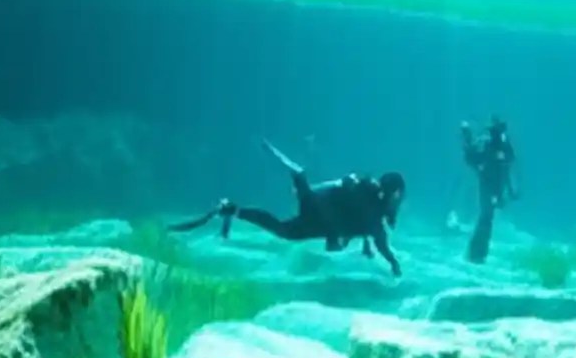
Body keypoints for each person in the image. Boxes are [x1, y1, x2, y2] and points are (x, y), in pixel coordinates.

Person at [168, 139, 405, 277]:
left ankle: (233, 209)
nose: (398, 201)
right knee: (285, 227)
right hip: (320, 216)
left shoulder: (367, 196)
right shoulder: (374, 212)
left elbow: (341, 190)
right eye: (398, 196)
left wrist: (309, 189)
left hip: (318, 215)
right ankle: (297, 178)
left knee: (284, 230)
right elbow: (380, 242)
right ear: (394, 194)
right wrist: (393, 263)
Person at [460, 115, 519, 264]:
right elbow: (473, 158)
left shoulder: (503, 146)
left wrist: (509, 190)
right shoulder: (487, 143)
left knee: (487, 217)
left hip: (494, 185)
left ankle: (478, 252)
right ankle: (477, 253)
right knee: (486, 216)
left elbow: (507, 169)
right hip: (488, 184)